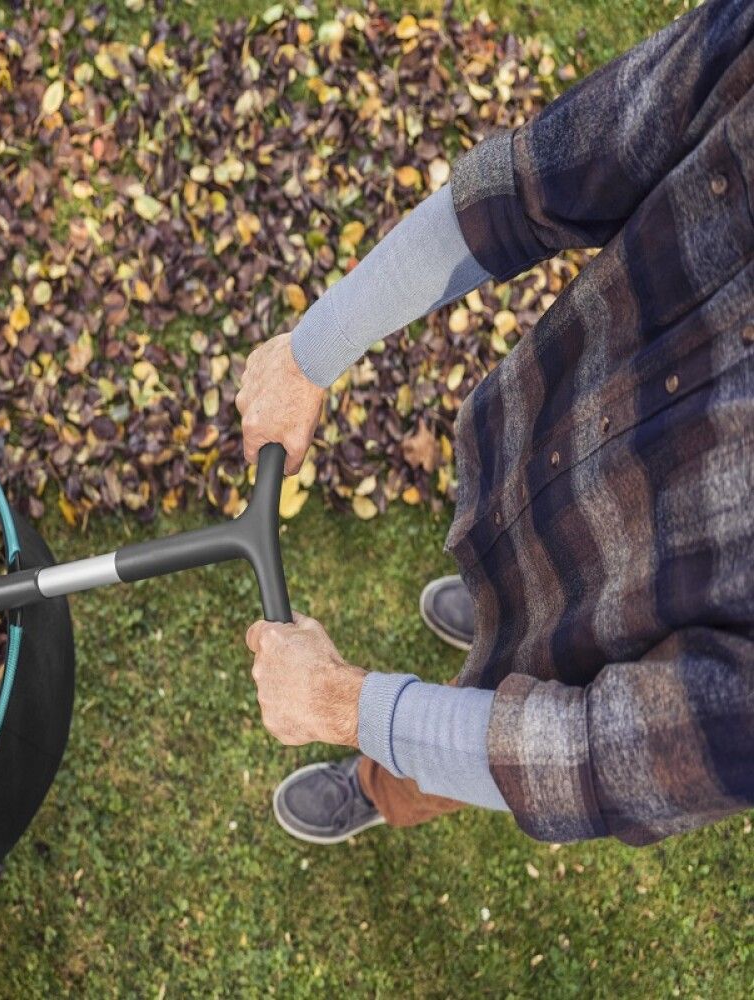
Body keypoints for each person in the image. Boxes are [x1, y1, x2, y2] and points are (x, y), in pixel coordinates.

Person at [236, 0, 753, 847]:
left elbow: (591, 762)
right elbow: (536, 184)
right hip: (536, 453)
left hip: (596, 660)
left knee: (436, 755)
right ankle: (491, 608)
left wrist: (342, 705)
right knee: (497, 594)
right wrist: (310, 350)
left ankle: (377, 783)